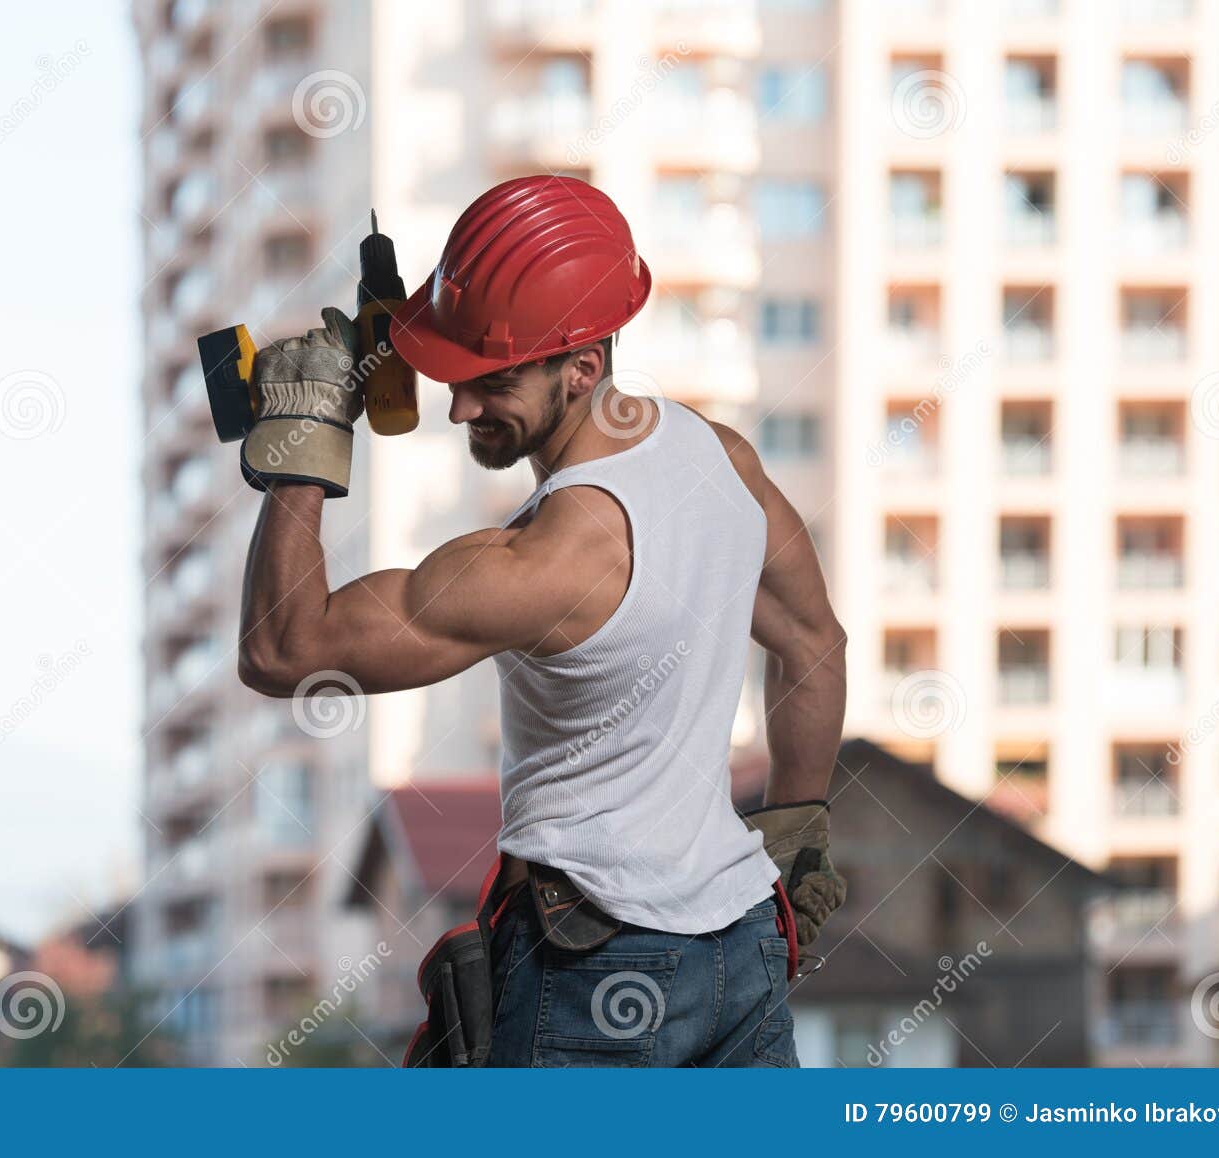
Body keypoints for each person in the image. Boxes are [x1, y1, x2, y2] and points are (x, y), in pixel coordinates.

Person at [235, 174, 847, 1067]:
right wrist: (797, 824)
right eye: (454, 375)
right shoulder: (721, 461)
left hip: (595, 974)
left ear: (582, 369)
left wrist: (303, 445)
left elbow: (283, 648)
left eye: (491, 382)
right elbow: (810, 640)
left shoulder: (543, 563)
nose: (460, 408)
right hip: (741, 943)